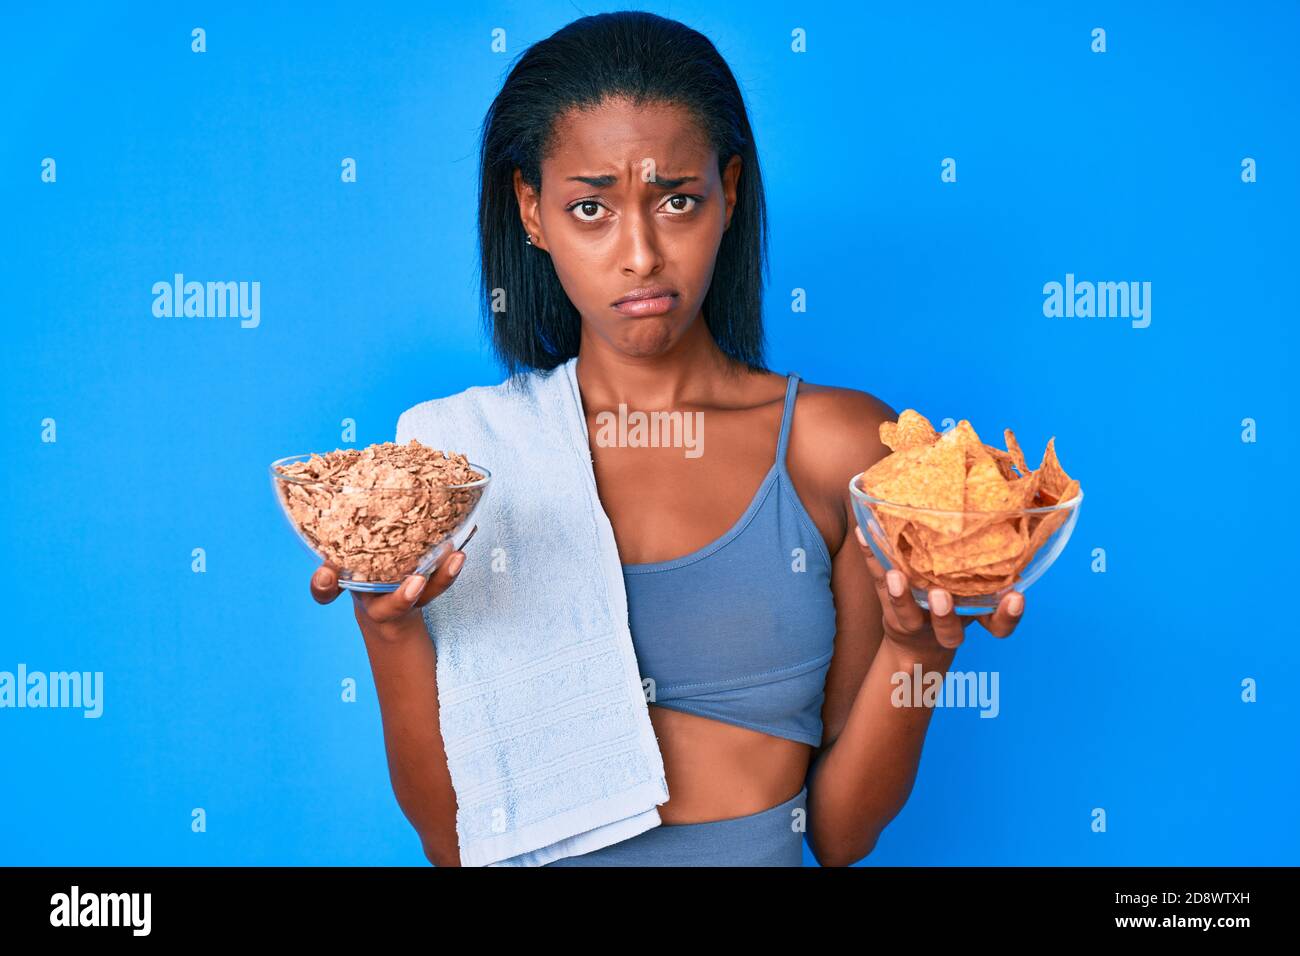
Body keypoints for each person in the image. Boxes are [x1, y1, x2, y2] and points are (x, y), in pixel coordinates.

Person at [309, 11, 1027, 867]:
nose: (641, 254)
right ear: (532, 213)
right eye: (590, 208)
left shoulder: (833, 451)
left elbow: (839, 836)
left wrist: (920, 650)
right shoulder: (463, 467)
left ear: (729, 192)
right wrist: (385, 629)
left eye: (677, 200)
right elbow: (452, 843)